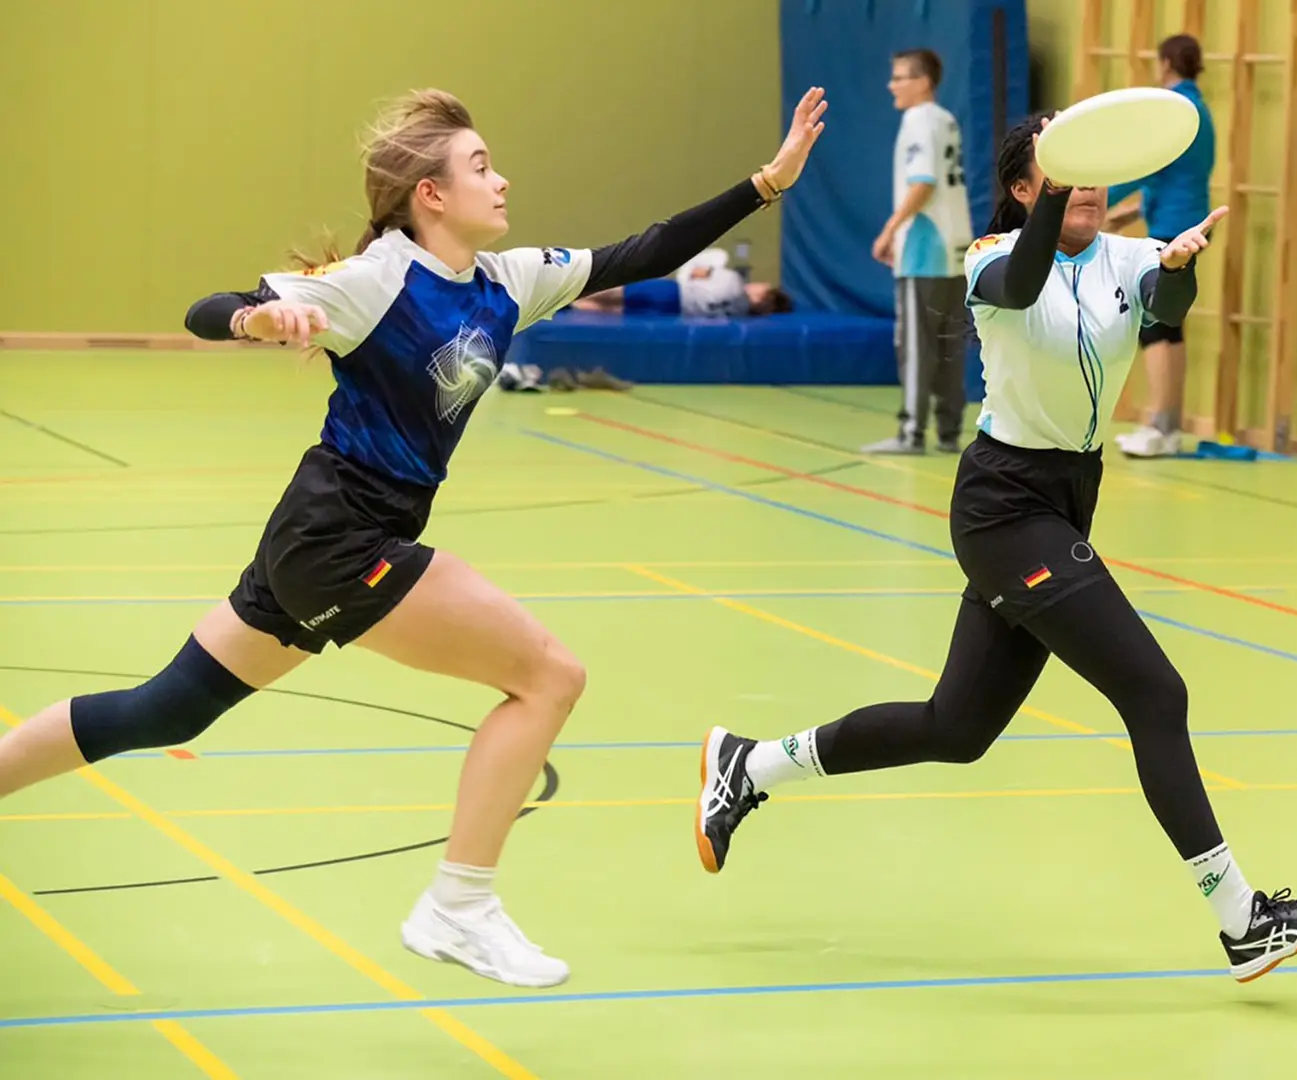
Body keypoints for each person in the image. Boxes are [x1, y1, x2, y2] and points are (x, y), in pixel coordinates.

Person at [0, 86, 828, 988]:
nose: (501, 178)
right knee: (550, 677)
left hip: (327, 536)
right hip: (339, 539)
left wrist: (766, 183)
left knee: (164, 709)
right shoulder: (377, 280)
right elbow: (210, 306)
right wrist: (258, 318)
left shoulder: (509, 281)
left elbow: (644, 251)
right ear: (430, 195)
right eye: (480, 166)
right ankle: (459, 906)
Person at [695, 114, 1297, 983]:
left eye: (1091, 169)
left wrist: (1181, 270)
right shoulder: (989, 260)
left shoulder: (1128, 256)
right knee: (1155, 691)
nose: (1087, 182)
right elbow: (1027, 277)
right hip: (1006, 507)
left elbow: (1163, 312)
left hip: (1069, 499)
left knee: (955, 728)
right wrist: (1055, 188)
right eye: (1062, 168)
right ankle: (1242, 920)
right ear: (1025, 187)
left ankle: (751, 764)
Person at [1106, 34, 1216, 459]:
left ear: (1167, 62)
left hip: (1170, 231)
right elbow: (1173, 175)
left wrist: (1096, 196)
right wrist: (1130, 214)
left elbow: (1145, 166)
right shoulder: (1200, 110)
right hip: (1187, 222)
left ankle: (1157, 423)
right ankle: (1168, 425)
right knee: (1172, 326)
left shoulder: (1177, 110)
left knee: (1153, 326)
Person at [864, 47, 974, 456]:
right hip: (956, 244)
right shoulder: (947, 120)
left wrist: (891, 230)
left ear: (923, 81)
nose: (892, 85)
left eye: (899, 77)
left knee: (916, 343)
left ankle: (911, 432)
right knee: (948, 342)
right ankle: (949, 430)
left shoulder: (918, 120)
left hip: (925, 246)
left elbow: (922, 181)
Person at [570, 247, 793, 316]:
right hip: (676, 311)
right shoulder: (738, 313)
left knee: (615, 294)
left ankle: (567, 297)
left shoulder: (733, 281)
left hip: (672, 293)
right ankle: (571, 307)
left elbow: (697, 273)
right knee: (617, 310)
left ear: (761, 295)